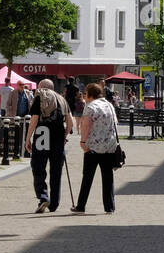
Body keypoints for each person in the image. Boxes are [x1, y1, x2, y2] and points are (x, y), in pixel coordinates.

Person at [26, 78, 75, 213]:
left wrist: (28, 138)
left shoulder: (39, 96)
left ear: (41, 87)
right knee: (56, 171)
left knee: (38, 168)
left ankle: (43, 197)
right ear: (53, 88)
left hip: (42, 136)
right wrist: (64, 136)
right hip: (58, 137)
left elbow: (34, 119)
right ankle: (54, 204)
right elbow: (70, 123)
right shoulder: (62, 99)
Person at [71, 83, 119, 214]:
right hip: (109, 146)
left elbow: (86, 125)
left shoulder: (90, 107)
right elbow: (116, 122)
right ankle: (110, 207)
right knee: (108, 177)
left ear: (90, 94)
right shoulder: (109, 105)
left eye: (86, 94)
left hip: (93, 146)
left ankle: (81, 206)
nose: (85, 97)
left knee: (87, 177)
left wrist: (83, 141)